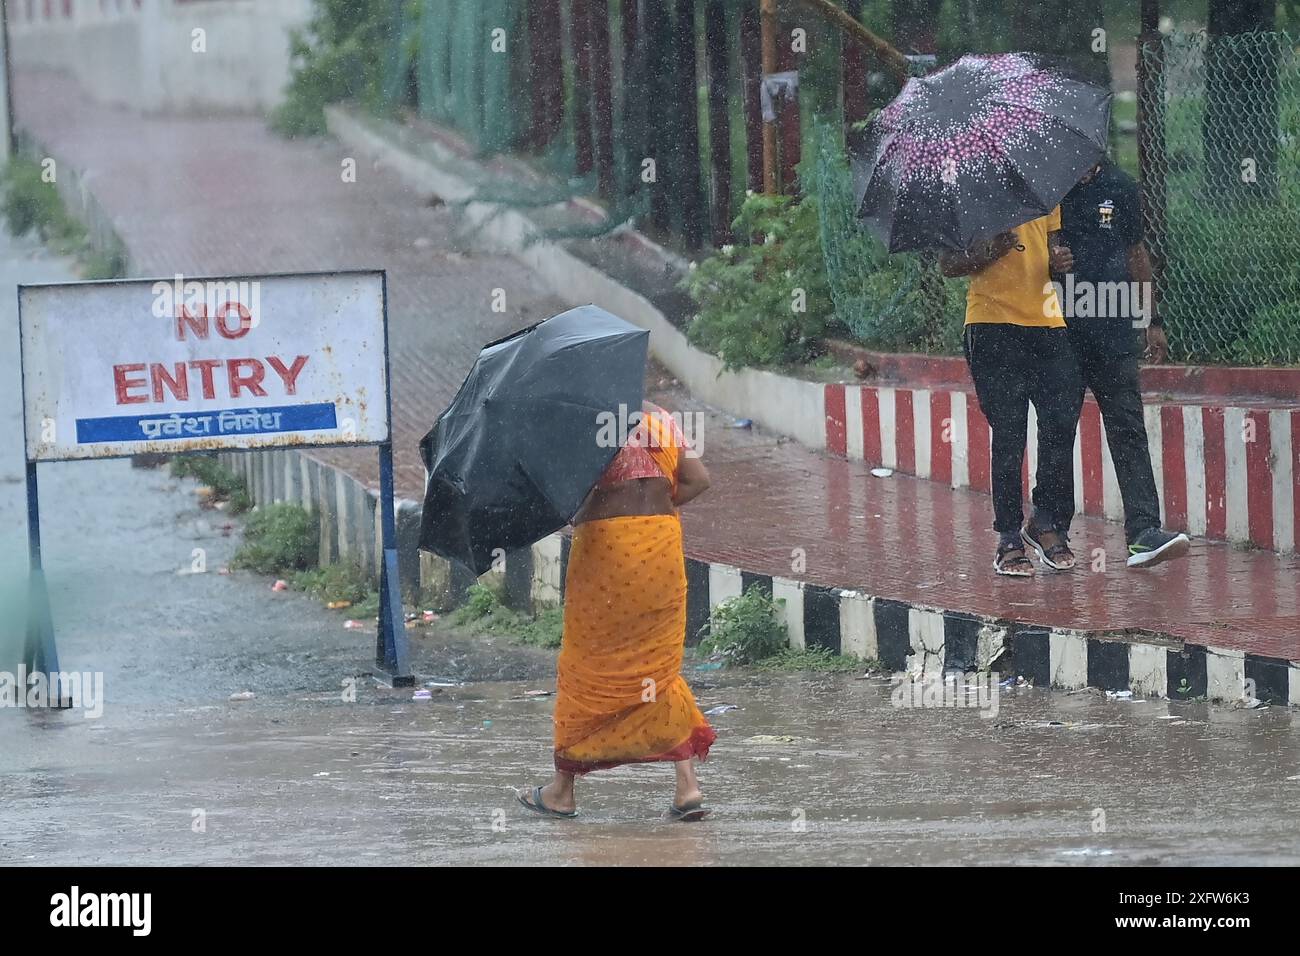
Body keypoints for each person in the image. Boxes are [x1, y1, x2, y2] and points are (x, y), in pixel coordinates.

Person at [516, 401, 716, 820]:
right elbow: (698, 481)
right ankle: (688, 787)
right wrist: (657, 503)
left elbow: (568, 499)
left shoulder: (583, 425)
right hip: (660, 547)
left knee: (587, 666)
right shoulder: (660, 418)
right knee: (658, 668)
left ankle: (562, 791)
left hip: (606, 553)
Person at [1056, 158, 1190, 568]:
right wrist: (1050, 261)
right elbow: (1030, 254)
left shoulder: (1121, 186)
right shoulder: (1049, 186)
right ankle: (1051, 528)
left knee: (1128, 427)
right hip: (1060, 329)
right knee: (1057, 429)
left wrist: (1152, 319)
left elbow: (1136, 254)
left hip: (1113, 330)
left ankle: (1144, 531)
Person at [940, 208, 1082, 577]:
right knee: (1009, 432)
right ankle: (1008, 537)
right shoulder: (971, 194)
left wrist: (1057, 261)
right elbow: (947, 264)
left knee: (1060, 423)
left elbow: (1049, 250)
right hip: (991, 325)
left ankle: (1045, 520)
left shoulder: (1042, 192)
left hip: (1047, 321)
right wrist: (989, 251)